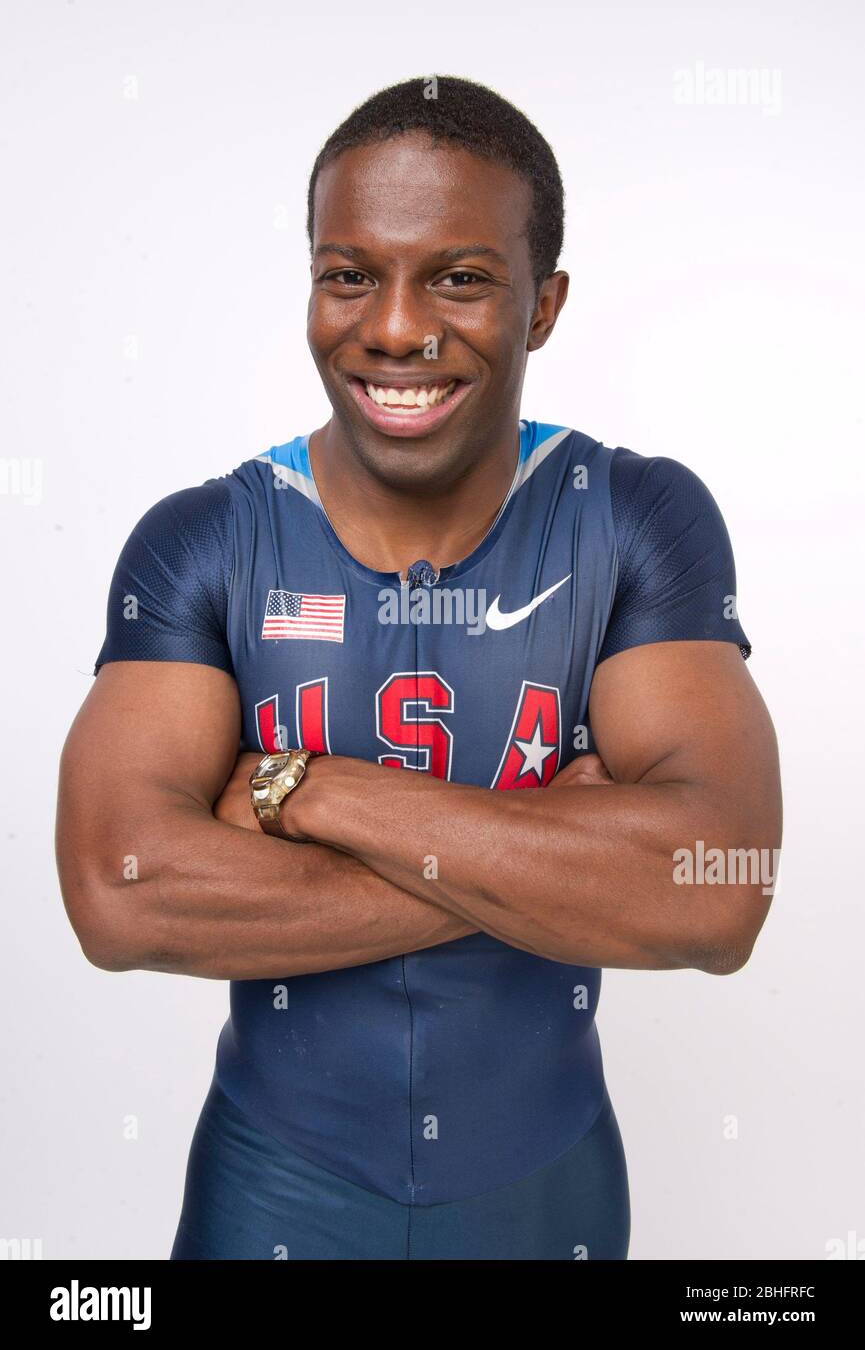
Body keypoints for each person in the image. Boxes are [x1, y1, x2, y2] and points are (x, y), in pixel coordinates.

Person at [56, 76, 781, 1261]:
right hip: (275, 1188)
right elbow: (119, 889)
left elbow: (715, 888)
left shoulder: (635, 517)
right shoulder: (203, 539)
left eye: (457, 276)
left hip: (544, 1193)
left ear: (542, 305)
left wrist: (305, 792)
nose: (393, 327)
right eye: (348, 273)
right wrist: (553, 852)